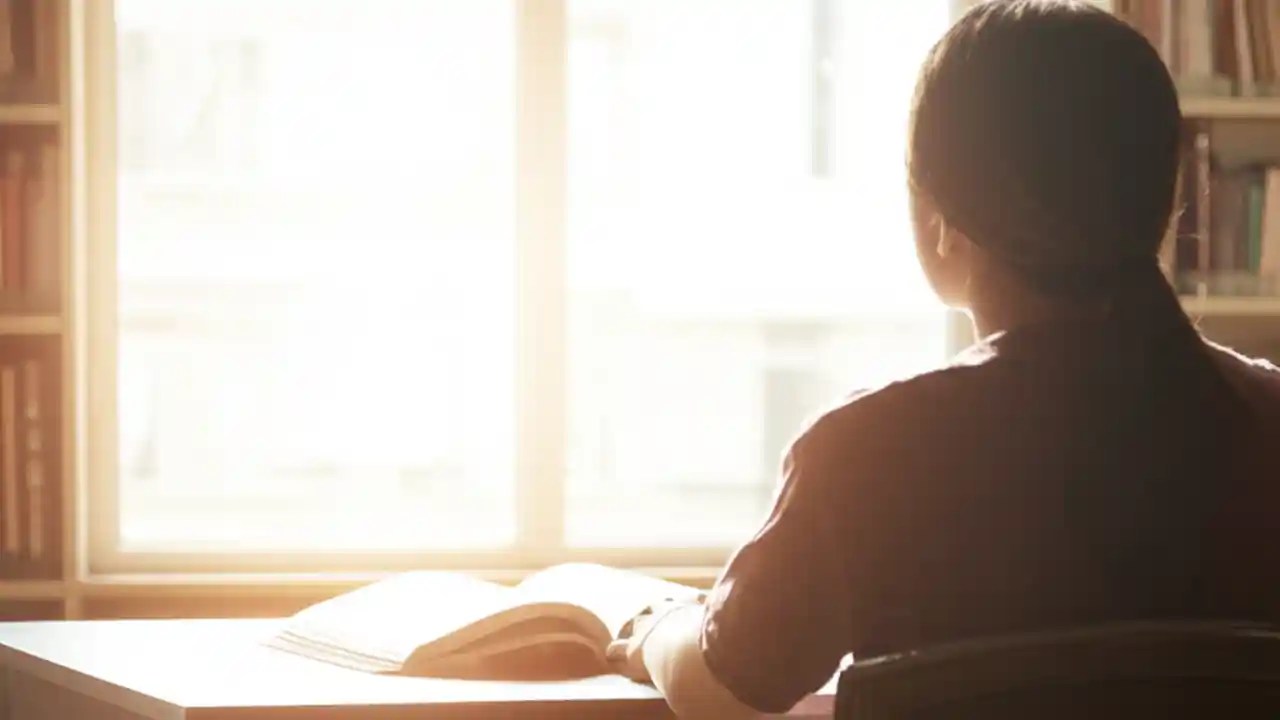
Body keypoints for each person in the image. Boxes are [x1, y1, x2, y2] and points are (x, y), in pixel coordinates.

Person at [609, 1, 1280, 717]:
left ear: (939, 224)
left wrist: (656, 627)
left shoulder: (869, 455)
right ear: (1169, 198)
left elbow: (727, 691)